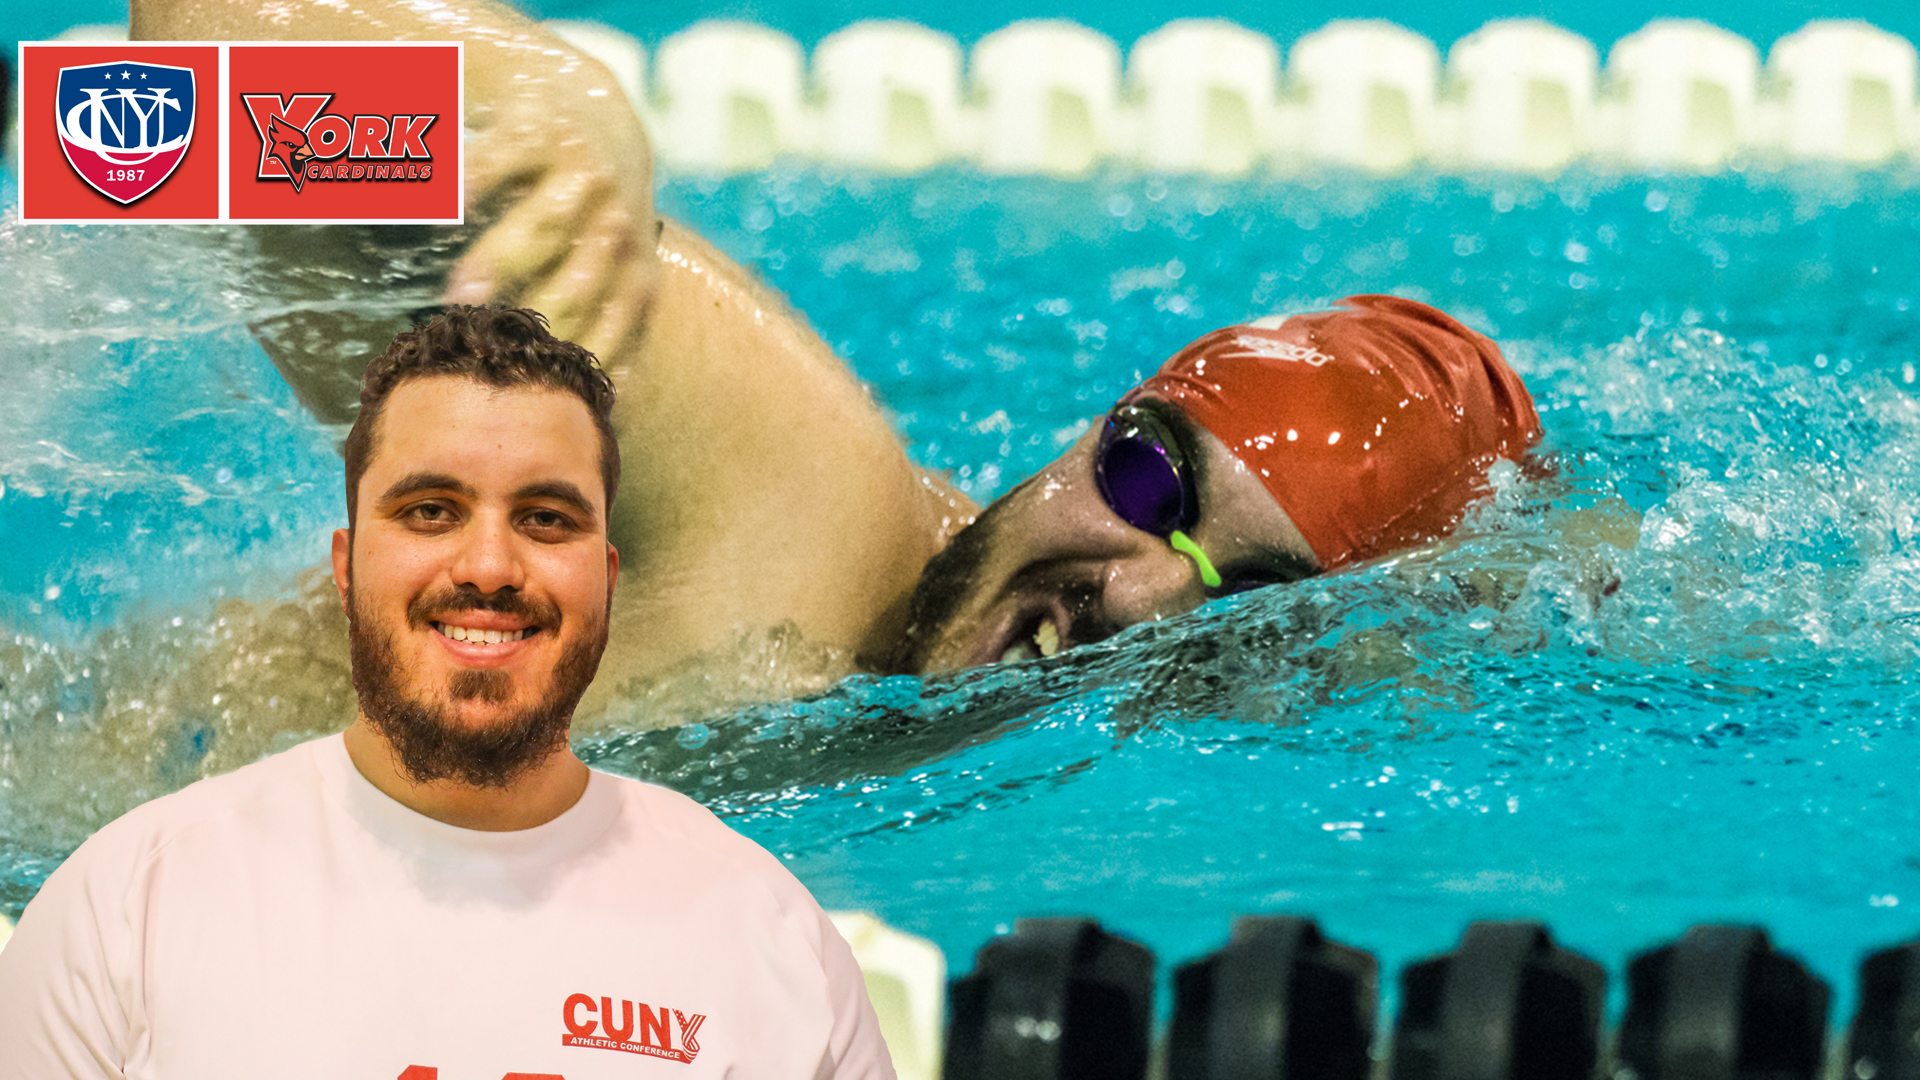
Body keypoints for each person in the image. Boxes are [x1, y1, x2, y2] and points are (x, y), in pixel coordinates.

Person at [127, 0, 1540, 728]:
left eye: (1258, 596)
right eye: (1154, 472)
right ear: (1097, 429)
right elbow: (176, 81)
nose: (1141, 584)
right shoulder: (781, 498)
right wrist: (524, 97)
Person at [0, 307, 897, 1079]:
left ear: (609, 577)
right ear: (347, 569)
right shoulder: (128, 910)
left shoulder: (767, 940)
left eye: (546, 519)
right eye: (431, 510)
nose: (490, 568)